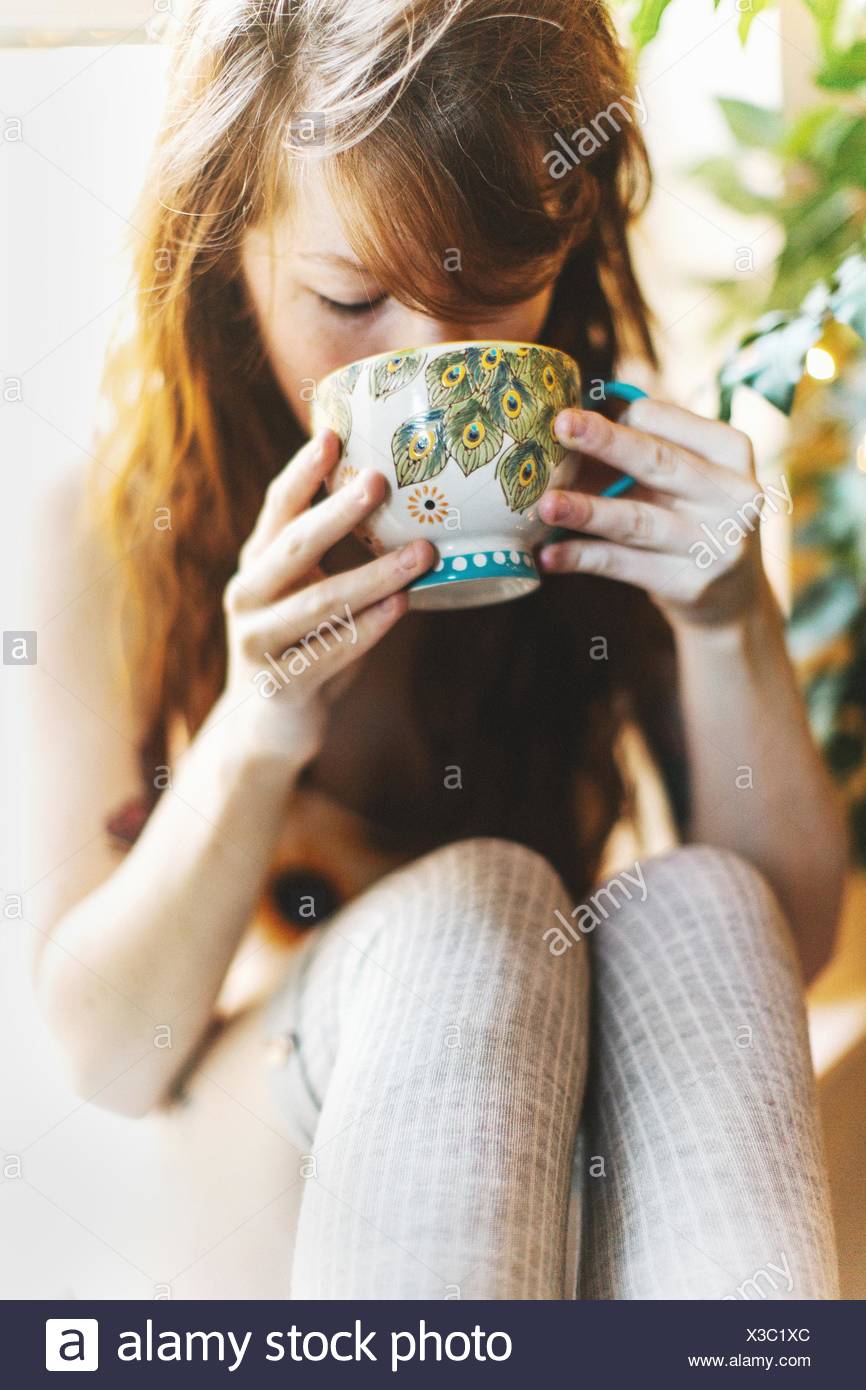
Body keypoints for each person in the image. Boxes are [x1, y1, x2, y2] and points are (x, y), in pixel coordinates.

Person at [27, 0, 845, 1299]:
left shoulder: (604, 463)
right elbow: (115, 1056)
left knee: (692, 905)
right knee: (482, 906)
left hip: (532, 1152)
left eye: (487, 296)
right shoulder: (116, 521)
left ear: (561, 238)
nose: (431, 366)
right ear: (231, 244)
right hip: (270, 1158)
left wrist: (725, 619)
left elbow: (786, 940)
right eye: (350, 297)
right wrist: (258, 726)